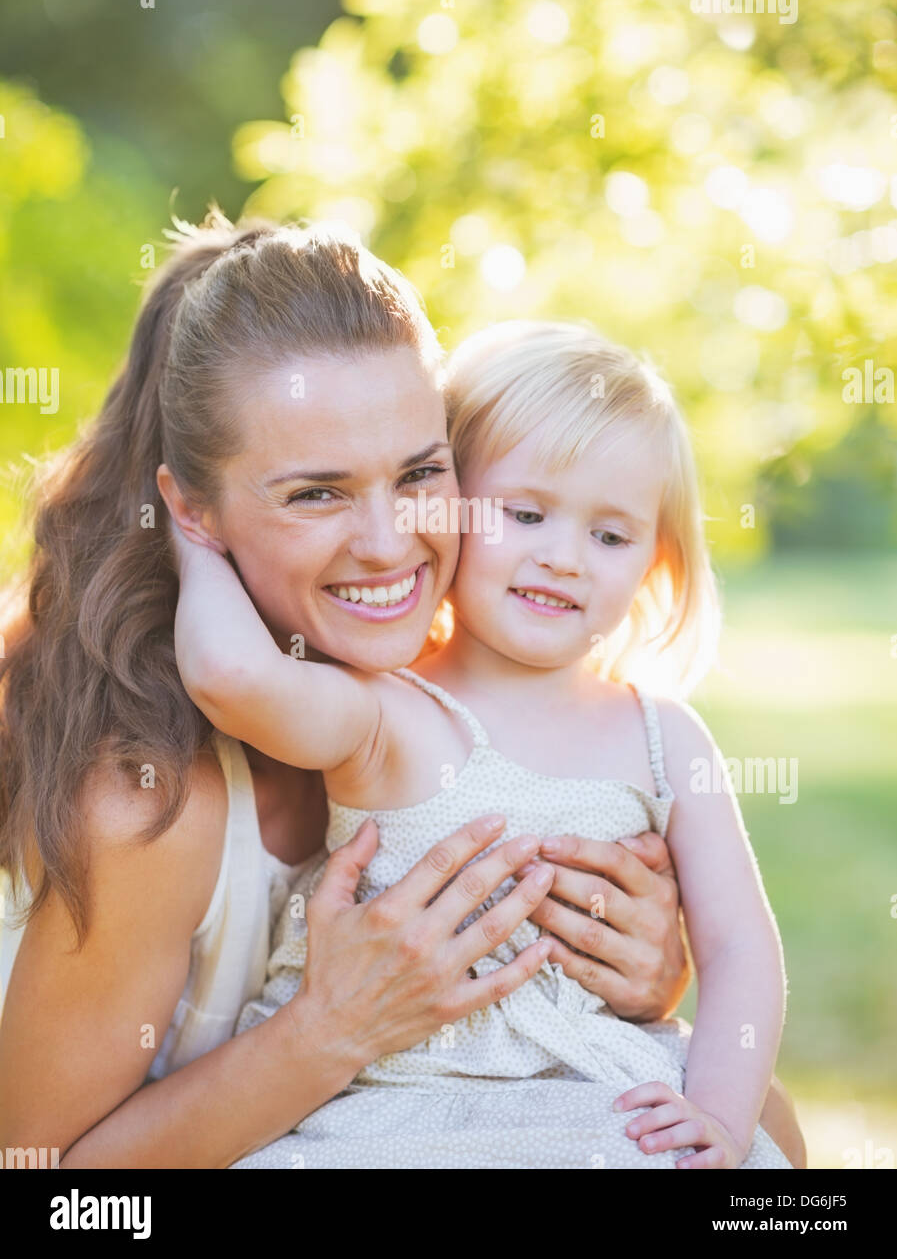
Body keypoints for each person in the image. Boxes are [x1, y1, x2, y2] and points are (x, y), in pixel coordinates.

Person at [0, 212, 703, 1168]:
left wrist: (635, 988)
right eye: (316, 493)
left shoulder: (446, 692)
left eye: (419, 472)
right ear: (194, 514)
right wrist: (328, 1033)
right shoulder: (153, 803)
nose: (388, 542)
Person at [171, 317, 804, 1169]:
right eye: (526, 514)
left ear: (653, 562)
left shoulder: (665, 740)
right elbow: (231, 679)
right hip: (393, 1114)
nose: (563, 558)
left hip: (595, 1098)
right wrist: (194, 533)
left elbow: (739, 948)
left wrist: (719, 1118)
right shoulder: (387, 709)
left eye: (608, 535)